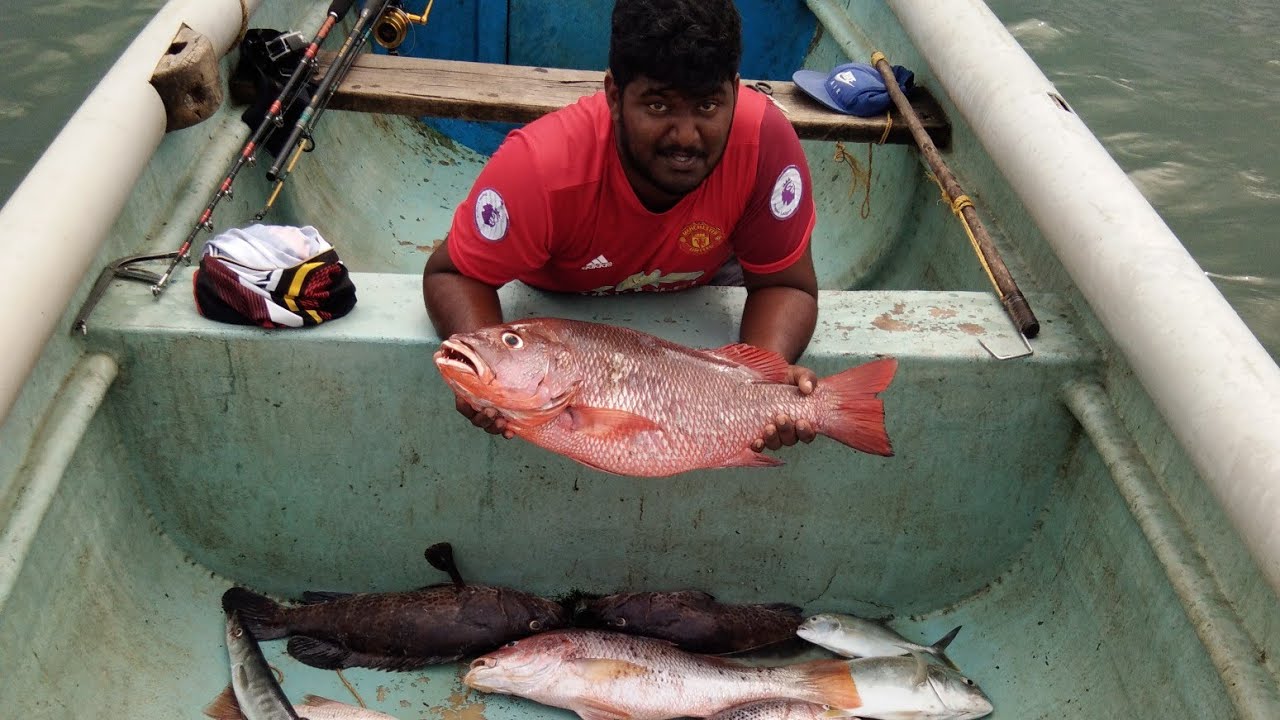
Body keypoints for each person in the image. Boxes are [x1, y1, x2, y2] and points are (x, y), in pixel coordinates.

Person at [422, 0, 819, 451]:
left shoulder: (765, 142)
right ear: (613, 94)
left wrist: (762, 383)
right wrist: (489, 386)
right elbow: (452, 272)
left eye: (708, 105)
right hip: (564, 299)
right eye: (658, 104)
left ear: (735, 90)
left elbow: (786, 285)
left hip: (707, 278)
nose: (686, 136)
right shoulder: (539, 169)